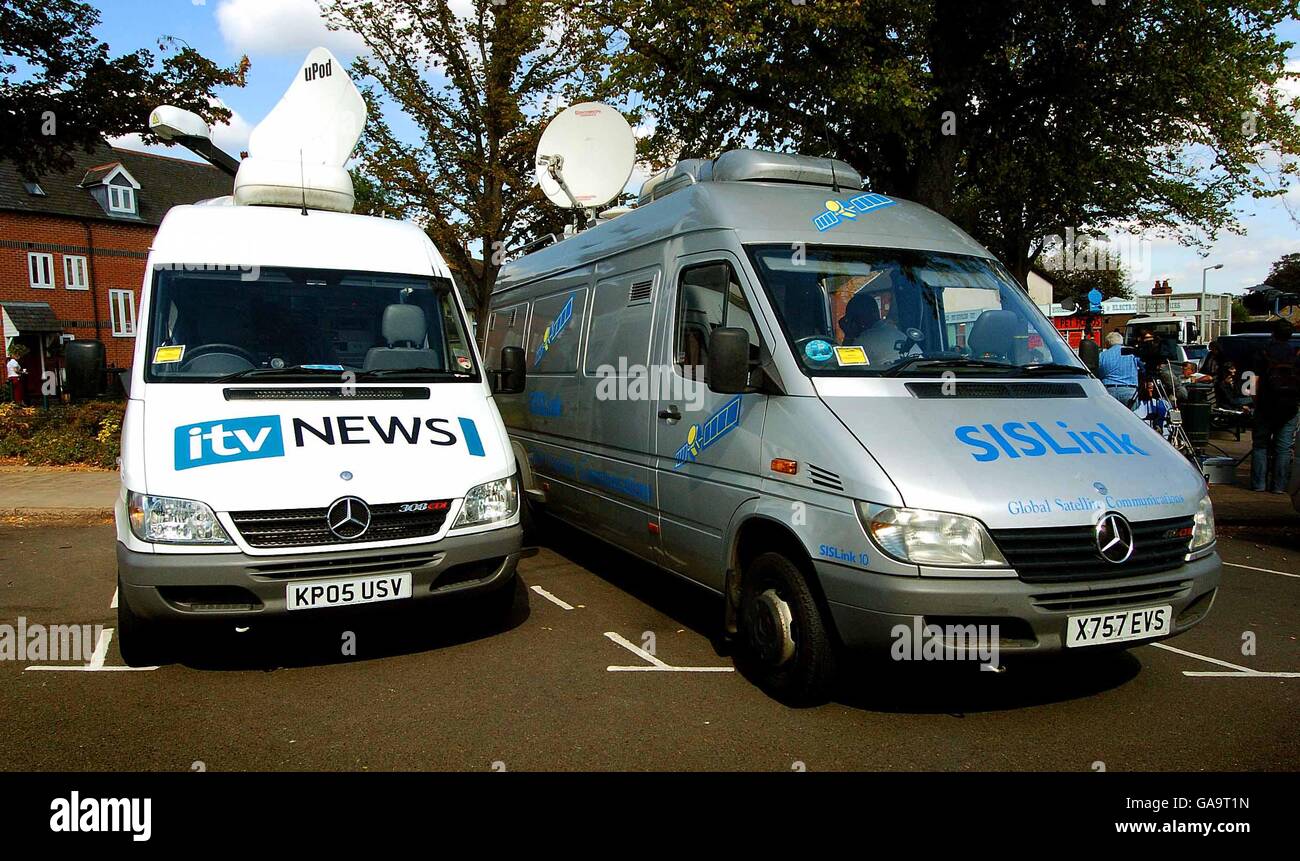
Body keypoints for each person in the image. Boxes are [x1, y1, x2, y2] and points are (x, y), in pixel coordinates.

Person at [1250, 318, 1300, 493]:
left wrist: (1256, 401)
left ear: (1273, 333)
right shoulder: (1295, 355)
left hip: (1265, 405)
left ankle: (1259, 485)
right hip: (1290, 406)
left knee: (1260, 445)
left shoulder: (1263, 352)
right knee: (1284, 448)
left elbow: (1253, 380)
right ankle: (1279, 486)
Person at [839, 290, 913, 367]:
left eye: (851, 317)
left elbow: (848, 367)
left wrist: (848, 335)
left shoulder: (864, 341)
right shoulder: (896, 333)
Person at [1098, 331, 1140, 404]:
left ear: (1108, 343)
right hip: (1129, 390)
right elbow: (1142, 367)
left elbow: (1099, 373)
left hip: (1109, 391)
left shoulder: (1102, 355)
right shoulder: (1131, 352)